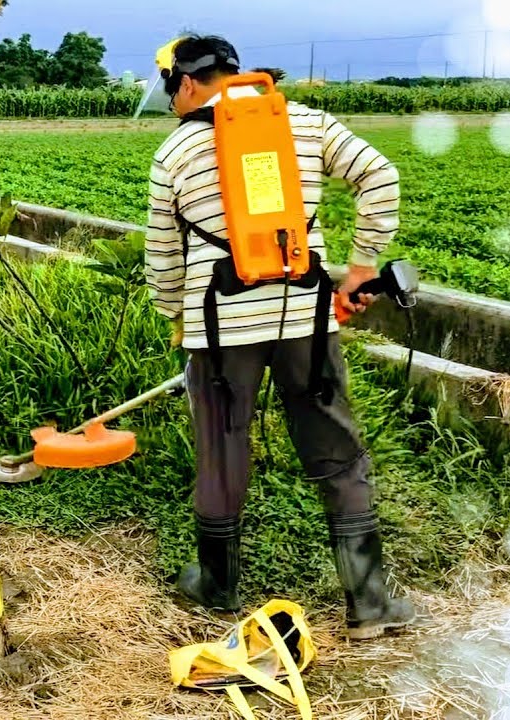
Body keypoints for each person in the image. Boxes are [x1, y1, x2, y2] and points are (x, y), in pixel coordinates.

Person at [143, 34, 415, 640]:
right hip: (308, 324)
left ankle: (216, 586)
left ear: (186, 83)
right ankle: (369, 602)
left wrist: (176, 318)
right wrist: (363, 267)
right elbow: (381, 177)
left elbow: (163, 260)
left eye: (170, 90)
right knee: (337, 451)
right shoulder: (306, 122)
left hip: (219, 331)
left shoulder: (176, 152)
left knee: (222, 447)